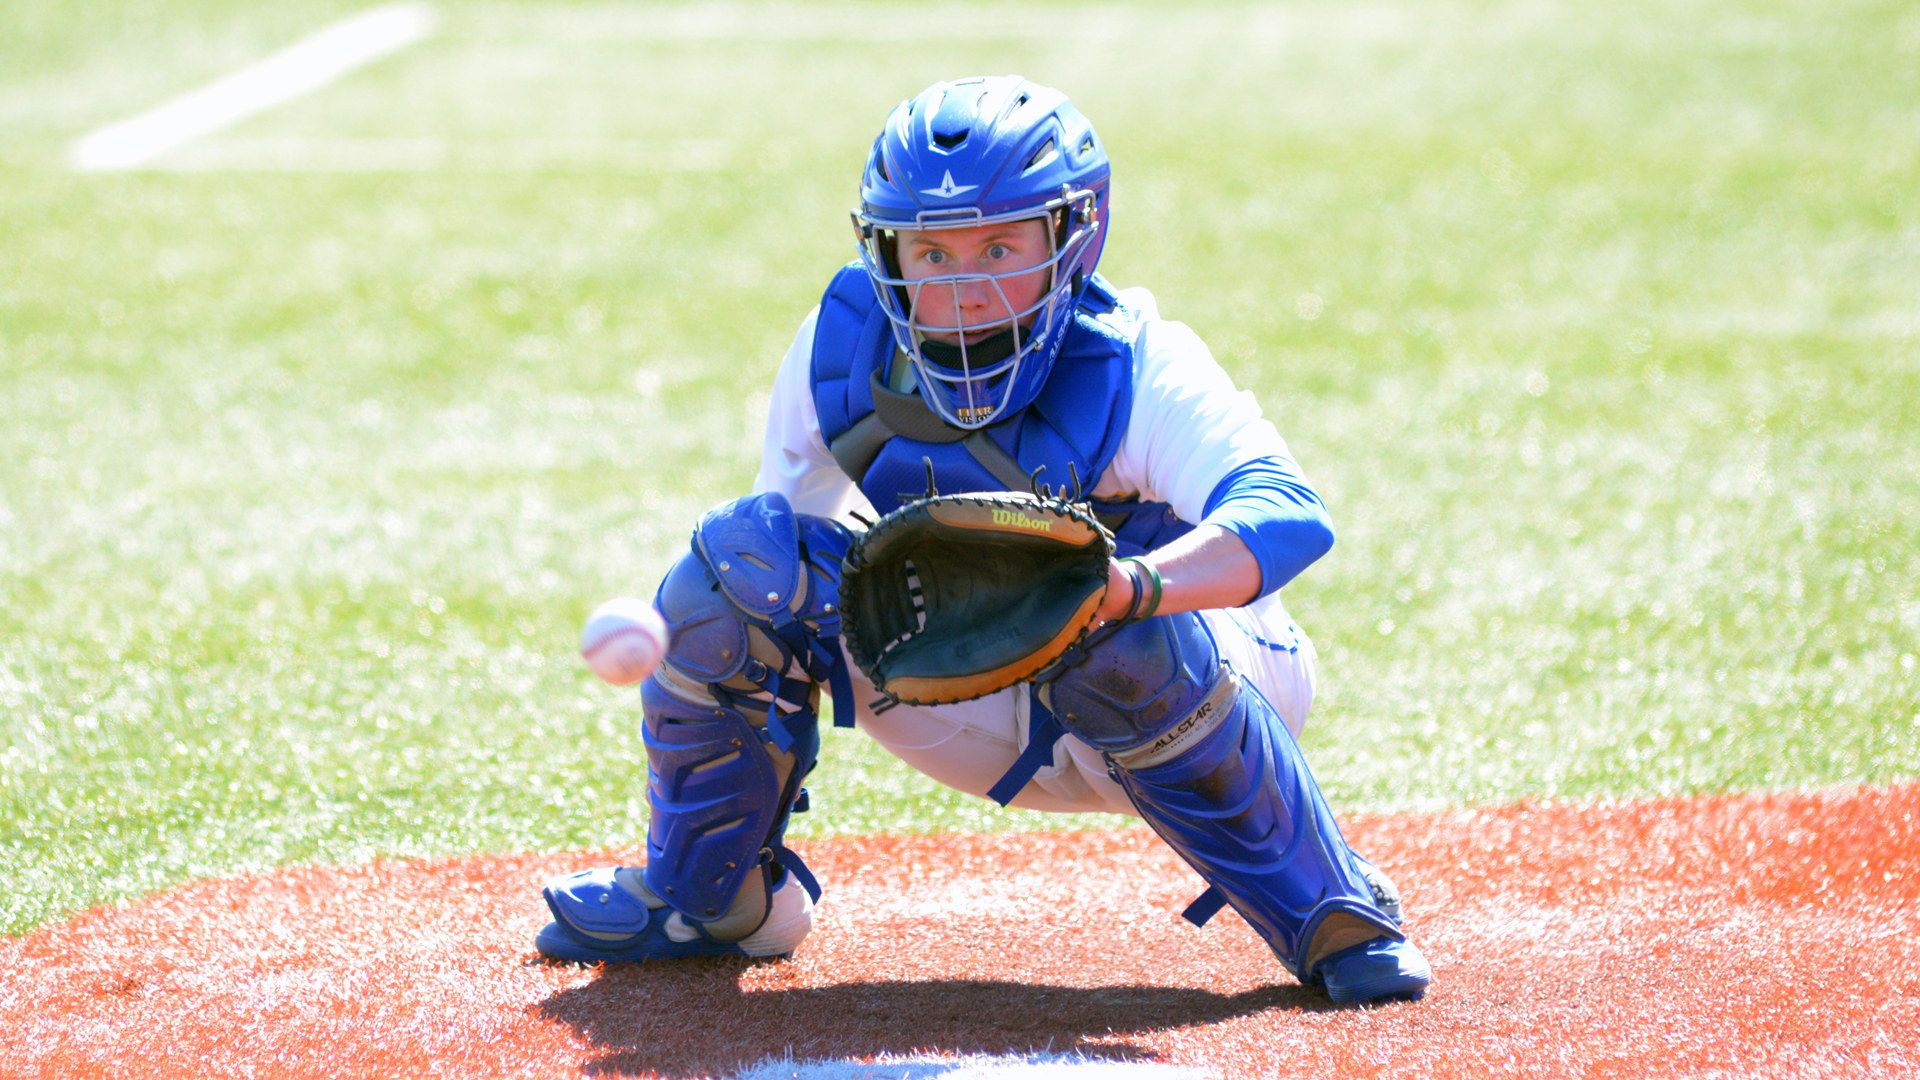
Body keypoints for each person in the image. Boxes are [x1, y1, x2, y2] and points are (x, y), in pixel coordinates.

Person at [536, 76, 1431, 1003]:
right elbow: (784, 548)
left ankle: (1331, 910)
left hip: (1208, 684)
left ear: (1072, 240)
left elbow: (1289, 514)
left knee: (1110, 634)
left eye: (998, 246)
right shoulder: (840, 350)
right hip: (977, 688)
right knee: (736, 575)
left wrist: (1124, 590)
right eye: (931, 251)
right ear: (885, 250)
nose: (961, 287)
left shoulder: (1135, 361)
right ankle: (706, 901)